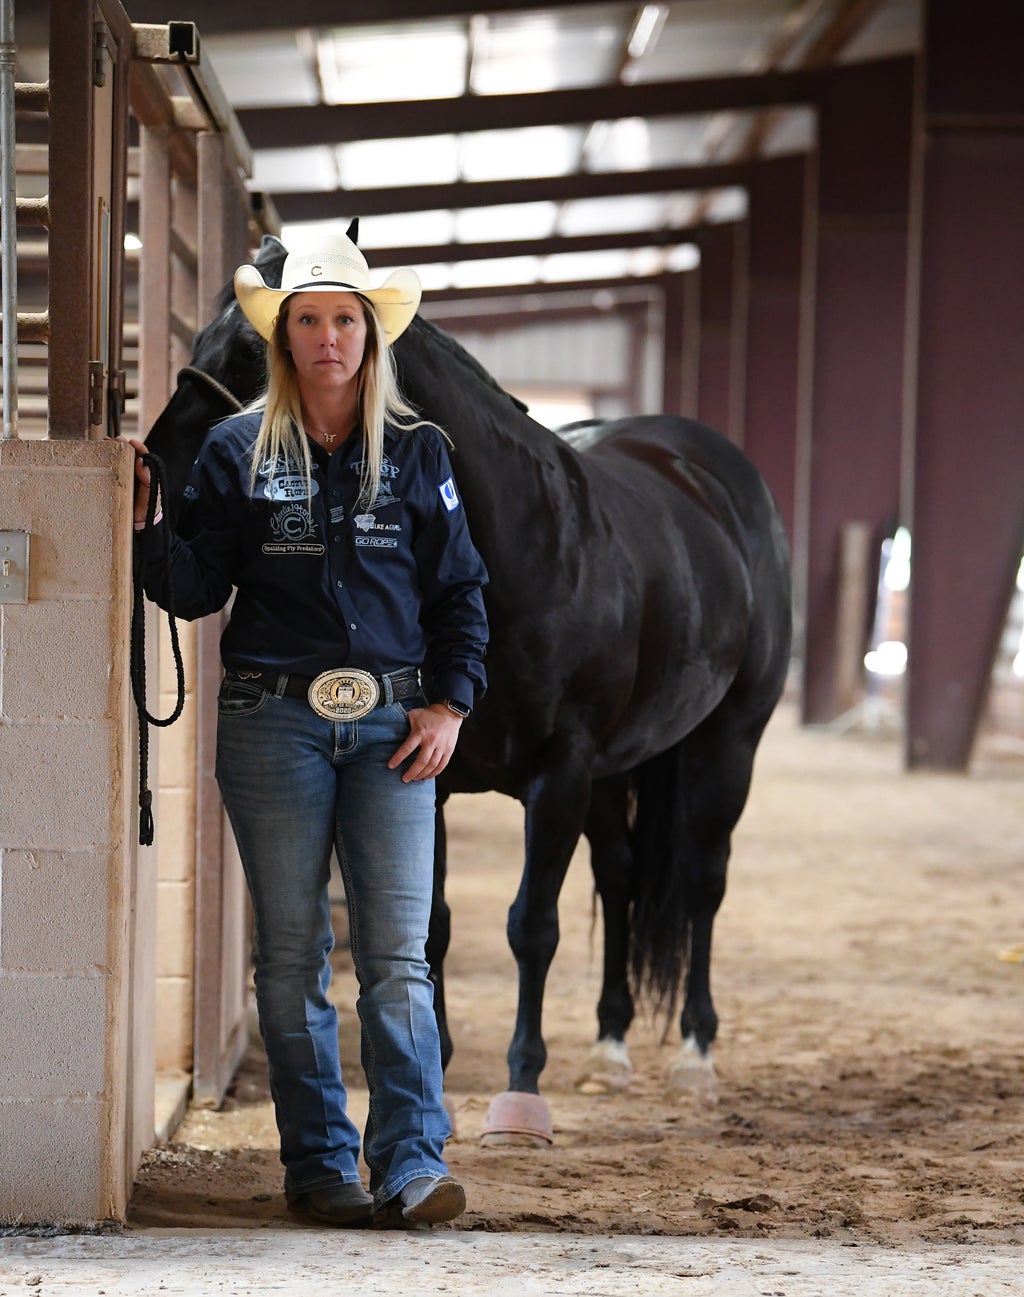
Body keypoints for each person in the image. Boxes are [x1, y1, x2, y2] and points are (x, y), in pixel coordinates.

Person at [129, 228, 488, 1230]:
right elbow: (195, 587)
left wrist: (451, 703)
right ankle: (321, 1163)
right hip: (269, 720)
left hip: (390, 725)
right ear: (282, 339)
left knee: (396, 957)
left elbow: (461, 591)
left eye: (344, 320)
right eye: (308, 321)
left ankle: (413, 1161)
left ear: (370, 339)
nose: (328, 338)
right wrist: (149, 523)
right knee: (288, 957)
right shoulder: (240, 451)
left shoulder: (420, 455)